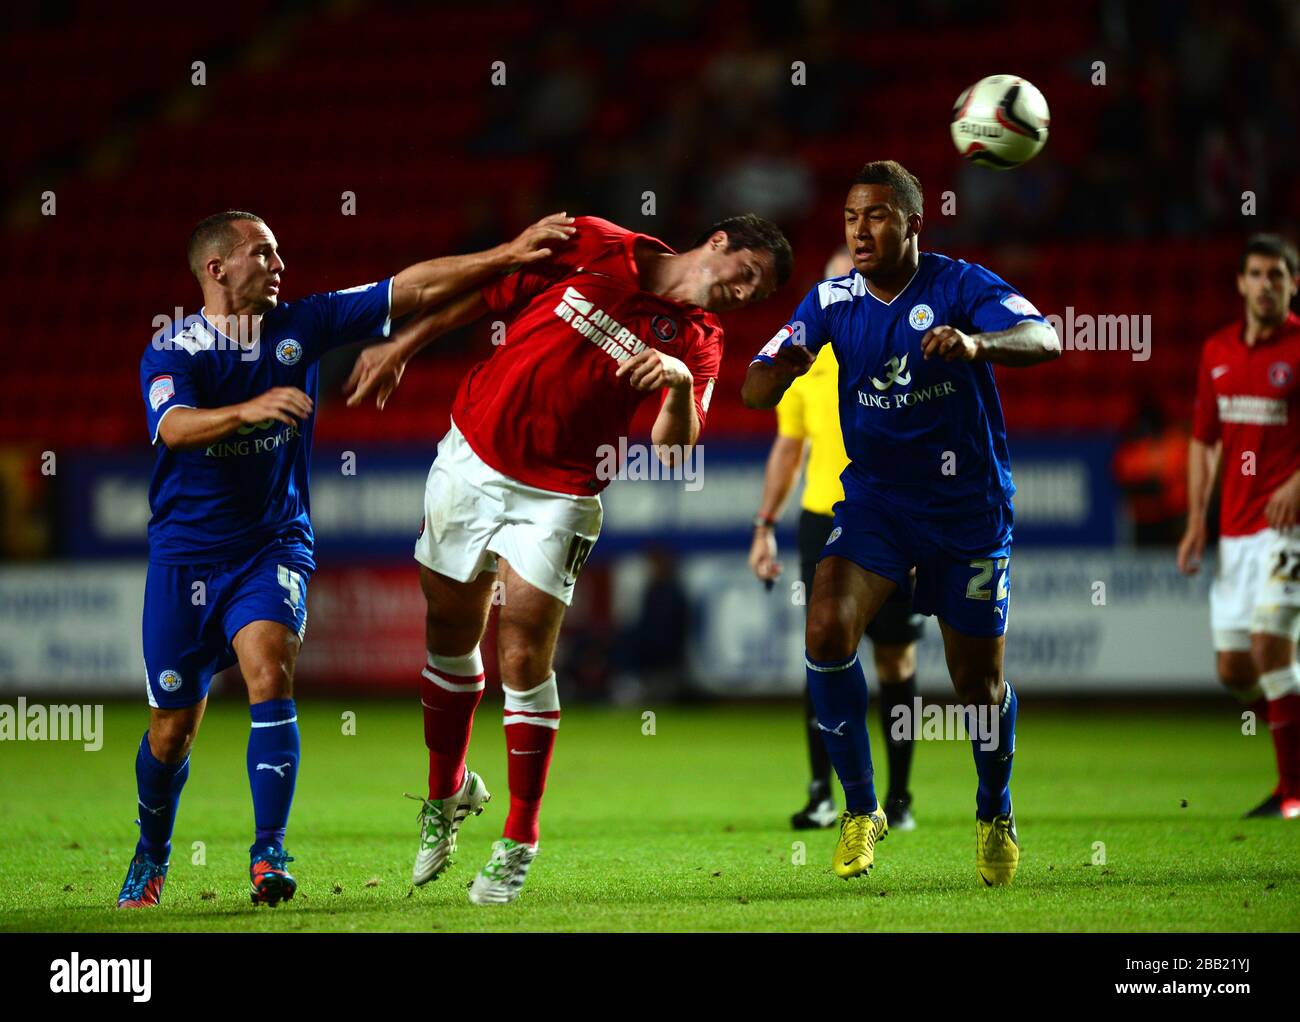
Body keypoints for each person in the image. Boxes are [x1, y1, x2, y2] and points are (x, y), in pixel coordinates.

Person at [119, 209, 571, 908]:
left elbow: (409, 289)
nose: (279, 265)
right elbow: (173, 427)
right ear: (217, 270)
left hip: (272, 547)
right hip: (184, 559)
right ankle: (151, 855)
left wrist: (508, 254)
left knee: (270, 670)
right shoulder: (174, 350)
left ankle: (268, 852)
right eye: (263, 254)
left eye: (279, 253)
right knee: (172, 730)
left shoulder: (303, 324)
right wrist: (248, 410)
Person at [346, 213, 792, 904]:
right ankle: (447, 792)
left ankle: (520, 837)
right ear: (720, 244)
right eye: (748, 275)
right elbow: (491, 292)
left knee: (523, 656)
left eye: (757, 294)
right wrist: (407, 342)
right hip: (471, 455)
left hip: (560, 492)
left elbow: (677, 448)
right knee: (450, 636)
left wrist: (674, 385)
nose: (744, 293)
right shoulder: (594, 242)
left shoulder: (700, 342)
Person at [743, 160, 1060, 885]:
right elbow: (754, 390)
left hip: (967, 510)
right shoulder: (830, 299)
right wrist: (783, 363)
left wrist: (979, 345)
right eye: (852, 216)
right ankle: (862, 808)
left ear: (915, 223)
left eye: (878, 215)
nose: (860, 229)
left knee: (976, 687)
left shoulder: (961, 284)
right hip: (879, 505)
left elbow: (1045, 340)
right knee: (824, 630)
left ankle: (994, 808)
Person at [749, 249, 924, 832]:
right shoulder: (804, 368)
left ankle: (898, 798)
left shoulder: (901, 349)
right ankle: (824, 792)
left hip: (895, 514)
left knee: (896, 657)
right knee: (824, 655)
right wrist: (764, 524)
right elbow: (788, 447)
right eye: (835, 285)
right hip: (823, 519)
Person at [1177, 233, 1300, 819]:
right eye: (1256, 273)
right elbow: (1203, 442)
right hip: (1236, 530)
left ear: (1292, 284)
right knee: (1235, 669)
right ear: (1241, 283)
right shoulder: (1218, 351)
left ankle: (1292, 793)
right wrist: (1197, 520)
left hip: (1290, 530)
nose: (1266, 285)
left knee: (1271, 649)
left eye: (1277, 275)